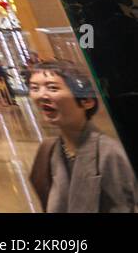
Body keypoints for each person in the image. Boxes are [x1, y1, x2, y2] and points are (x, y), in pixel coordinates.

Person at [28, 61, 136, 212]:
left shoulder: (110, 153)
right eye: (34, 88)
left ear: (87, 101)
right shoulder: (48, 150)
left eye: (52, 88)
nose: (41, 96)